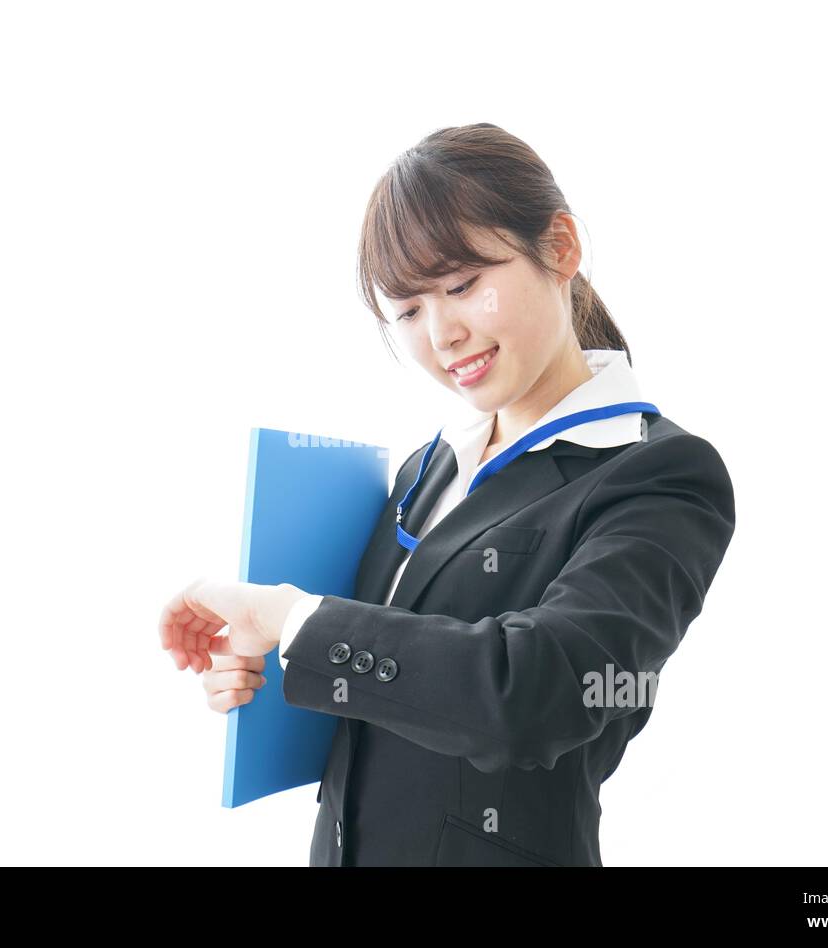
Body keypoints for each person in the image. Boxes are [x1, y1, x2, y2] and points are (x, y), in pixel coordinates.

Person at [158, 123, 736, 866]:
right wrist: (261, 662)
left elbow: (538, 695)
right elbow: (384, 679)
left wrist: (292, 617)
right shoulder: (425, 470)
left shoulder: (658, 474)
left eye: (464, 286)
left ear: (560, 247)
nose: (443, 334)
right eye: (407, 311)